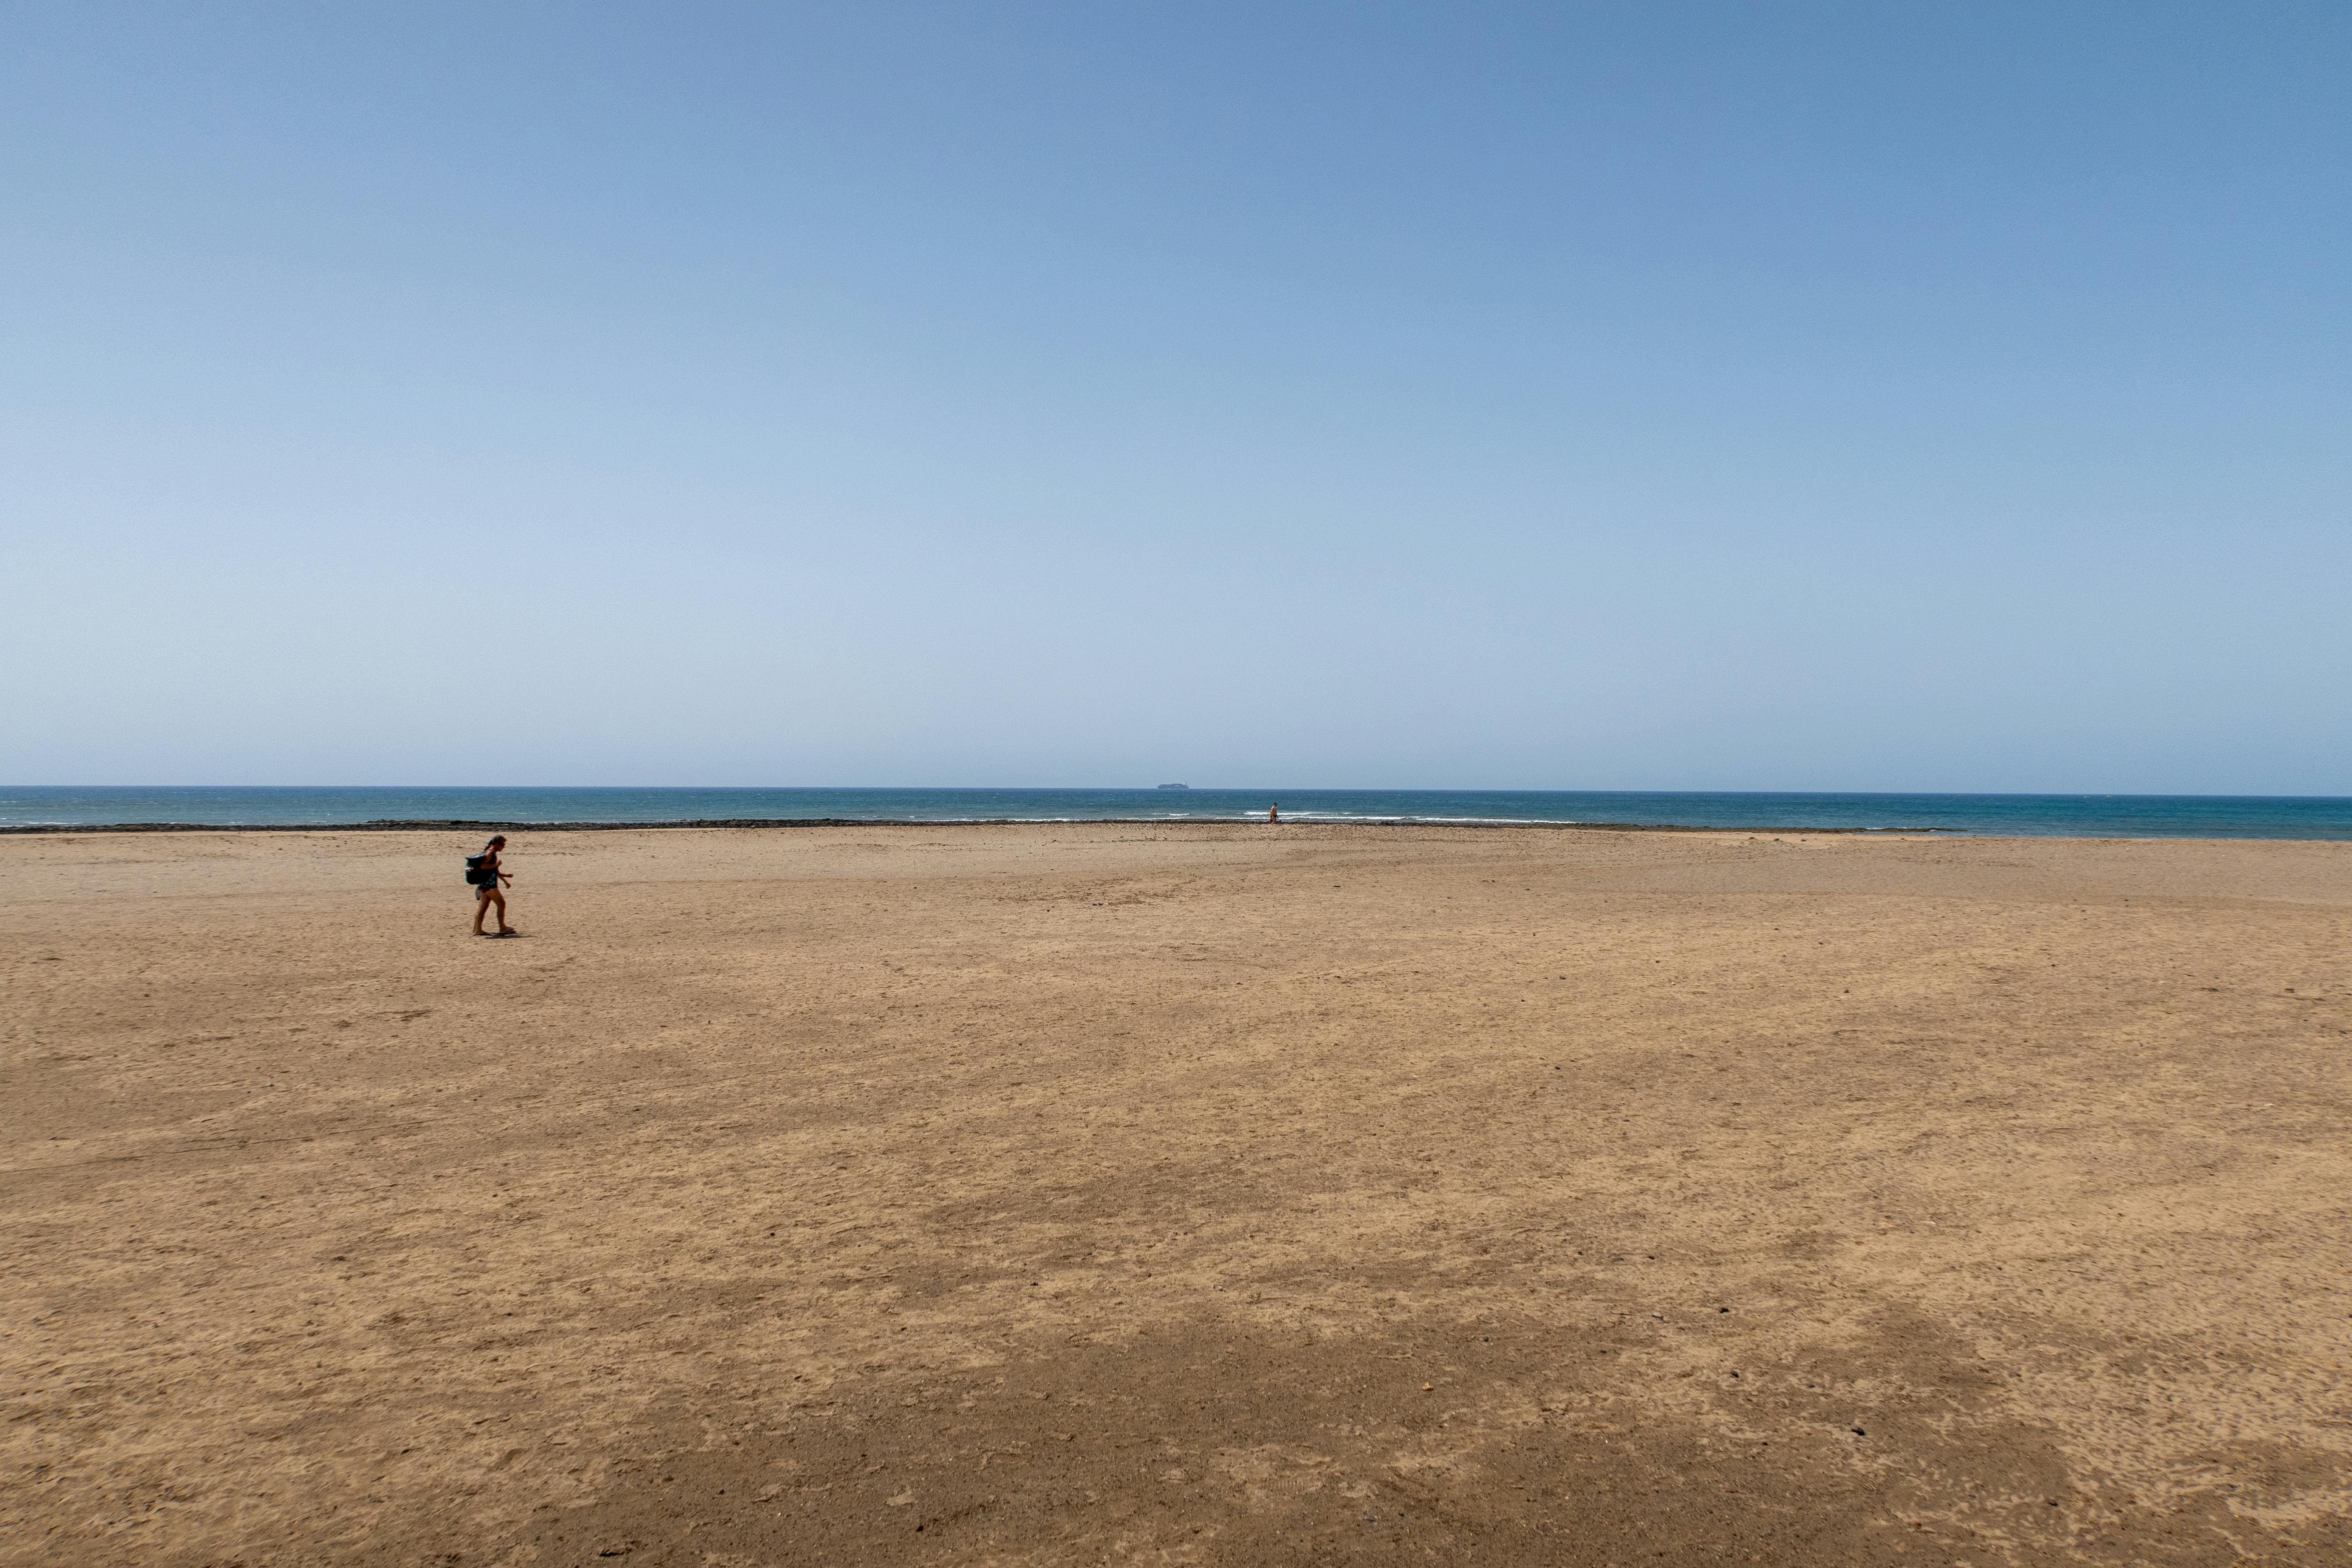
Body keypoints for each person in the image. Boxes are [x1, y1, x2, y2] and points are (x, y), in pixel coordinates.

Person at [471, 835, 516, 937]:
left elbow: (493, 871)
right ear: (496, 844)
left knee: (483, 907)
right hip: (489, 885)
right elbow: (483, 866)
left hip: (484, 884)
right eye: (502, 844)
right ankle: (503, 928)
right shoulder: (490, 853)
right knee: (501, 904)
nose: (504, 847)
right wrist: (496, 865)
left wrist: (506, 878)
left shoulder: (492, 854)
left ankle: (478, 929)